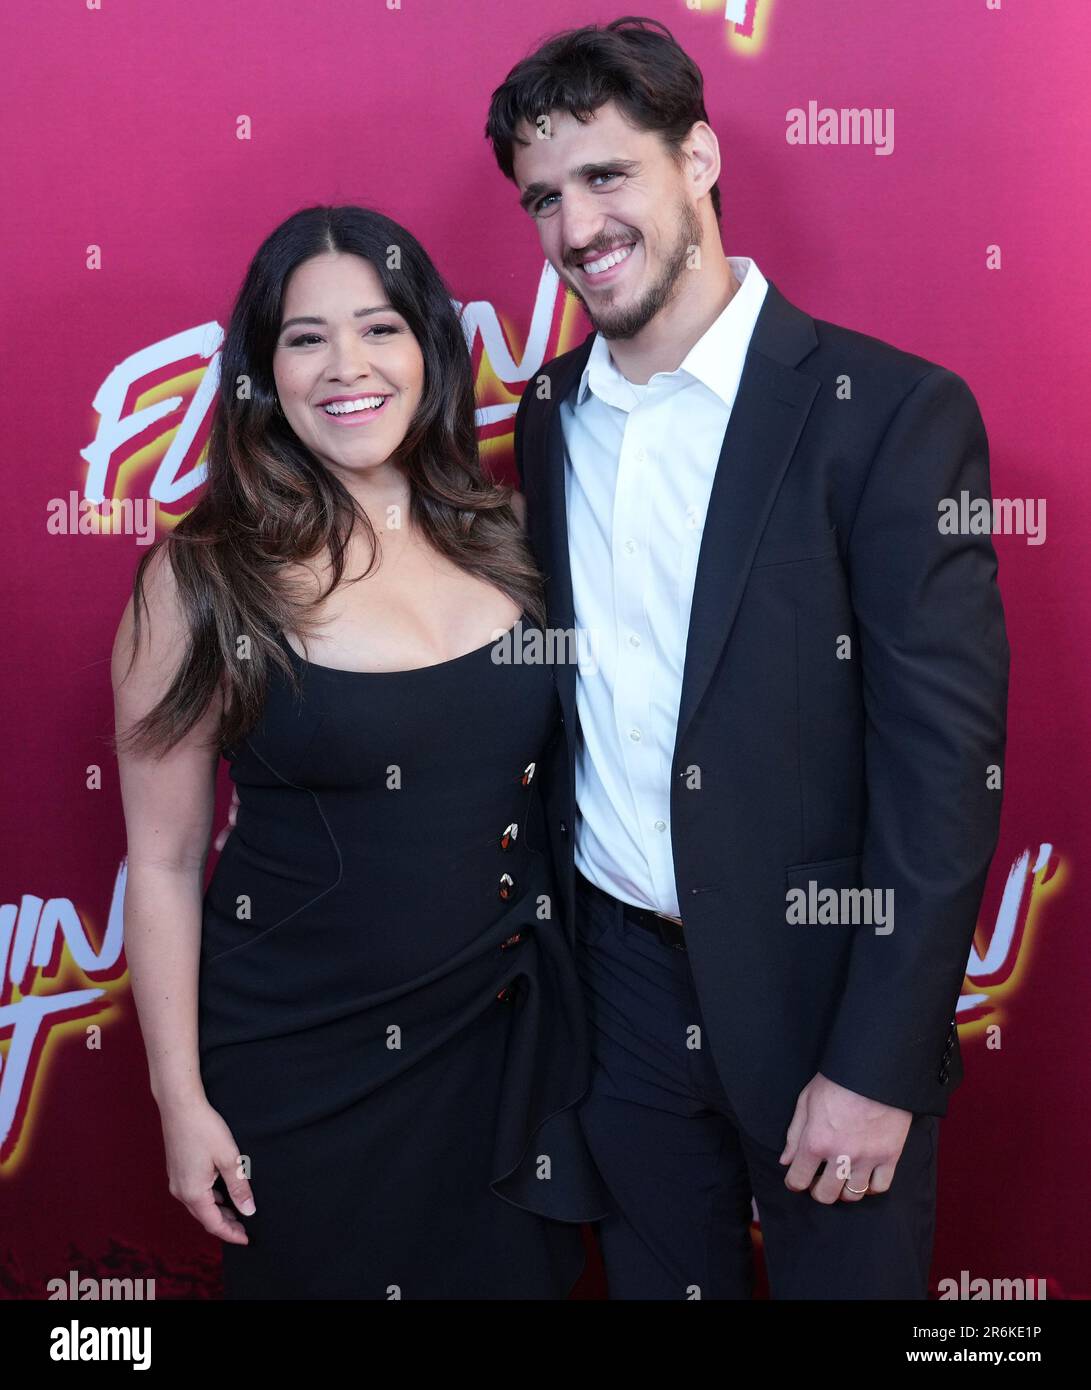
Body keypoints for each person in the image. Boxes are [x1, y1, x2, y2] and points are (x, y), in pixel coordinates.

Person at [484, 16, 1010, 1299]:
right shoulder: (547, 420)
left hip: (821, 997)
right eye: (543, 197)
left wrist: (879, 1061)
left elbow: (943, 768)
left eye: (607, 176)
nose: (575, 227)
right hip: (617, 1005)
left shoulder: (887, 415)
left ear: (699, 158)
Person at [110, 204, 608, 1300]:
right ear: (261, 370)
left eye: (379, 328)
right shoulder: (197, 580)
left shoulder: (518, 537)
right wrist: (179, 1099)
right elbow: (161, 861)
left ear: (429, 349)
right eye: (304, 337)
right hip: (298, 1067)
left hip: (505, 1058)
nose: (348, 365)